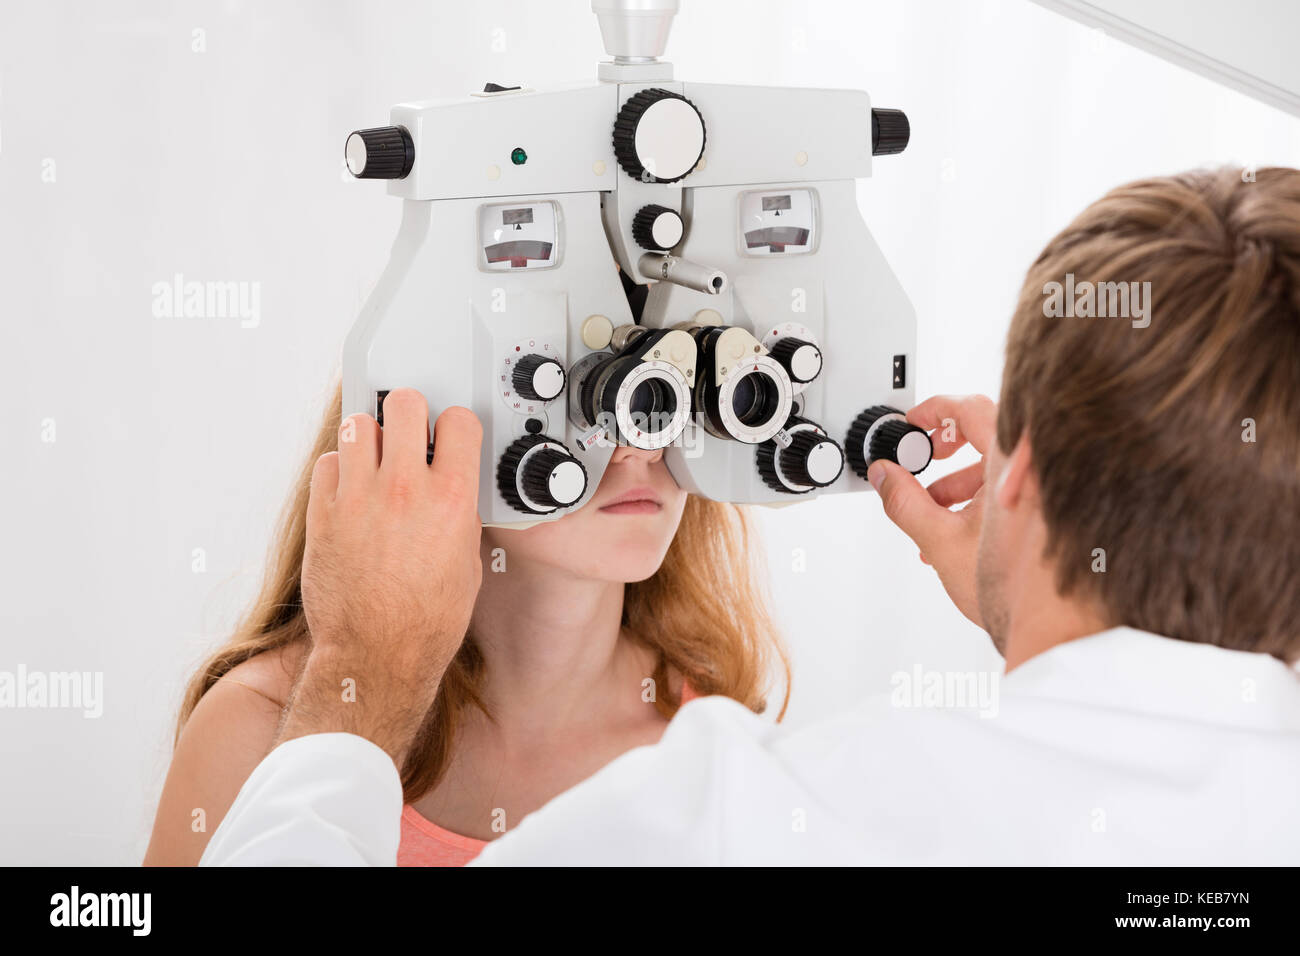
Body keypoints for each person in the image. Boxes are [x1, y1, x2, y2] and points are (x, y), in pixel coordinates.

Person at [201, 167, 1300, 866]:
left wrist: (360, 683)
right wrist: (1044, 604)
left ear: (1018, 476)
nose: (641, 439)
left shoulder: (736, 808)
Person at [145, 387, 788, 866]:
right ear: (424, 426)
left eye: (657, 386)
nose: (639, 443)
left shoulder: (717, 742)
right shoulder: (270, 731)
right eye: (566, 389)